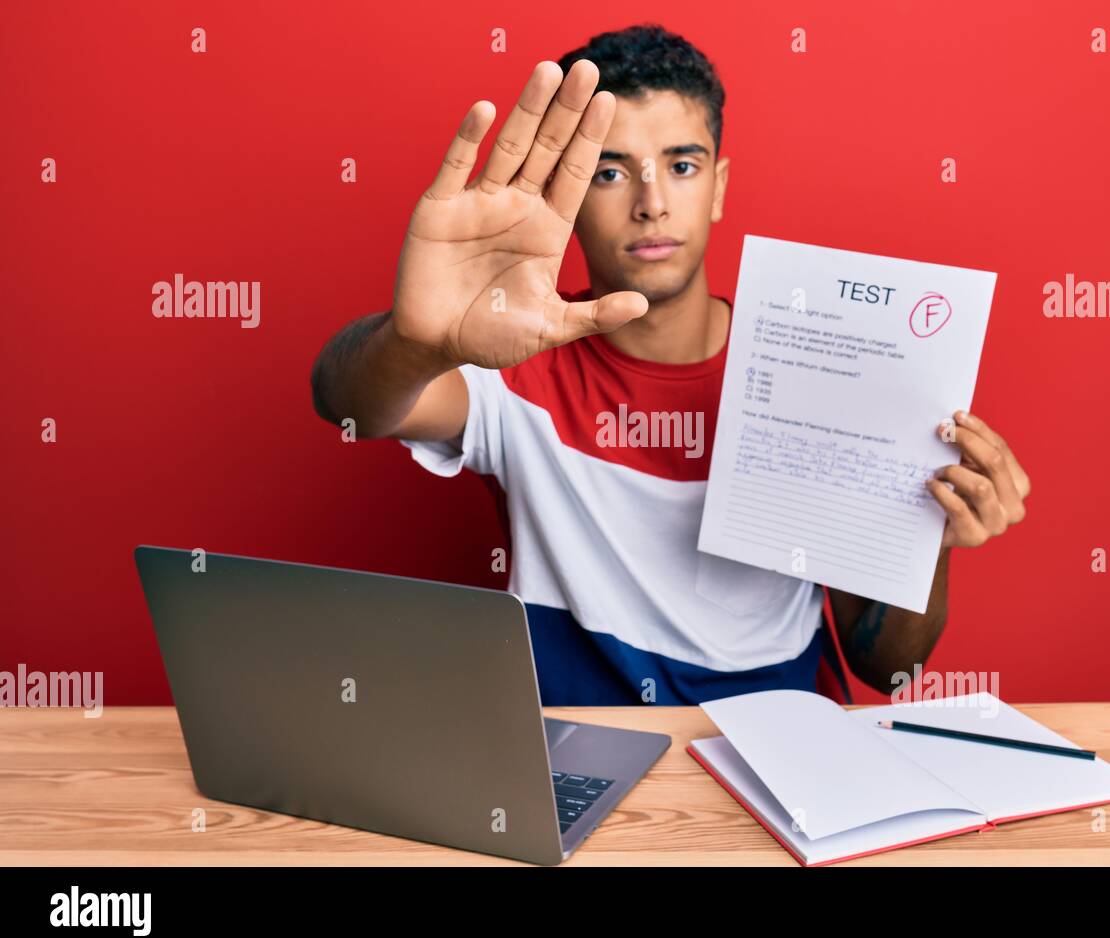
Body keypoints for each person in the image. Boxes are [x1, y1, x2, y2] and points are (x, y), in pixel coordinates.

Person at [310, 24, 1031, 705]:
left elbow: (889, 668)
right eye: (609, 173)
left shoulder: (815, 370)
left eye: (681, 166)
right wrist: (419, 340)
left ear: (717, 186)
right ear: (566, 194)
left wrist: (928, 532)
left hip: (787, 763)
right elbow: (344, 402)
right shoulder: (512, 357)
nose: (652, 204)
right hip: (579, 763)